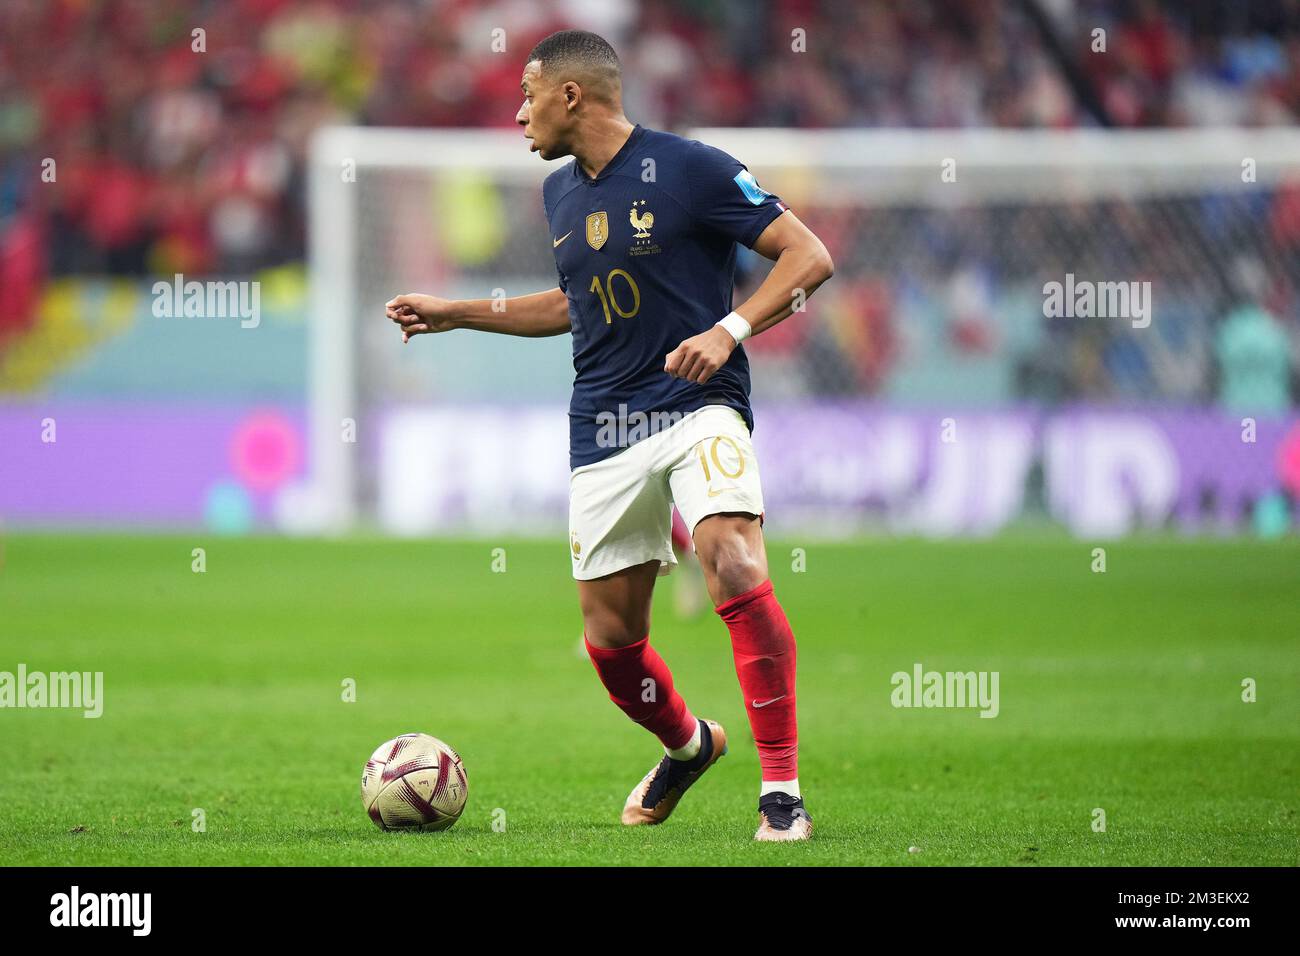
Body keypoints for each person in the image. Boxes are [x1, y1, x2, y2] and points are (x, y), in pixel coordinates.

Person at [386, 30, 833, 841]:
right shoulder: (560, 195)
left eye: (527, 96)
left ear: (570, 96)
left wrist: (729, 329)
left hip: (699, 401)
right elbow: (573, 305)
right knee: (612, 643)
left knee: (731, 561)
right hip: (604, 422)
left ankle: (783, 792)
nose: (518, 114)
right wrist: (459, 314)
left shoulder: (693, 168)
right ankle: (690, 745)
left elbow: (808, 254)